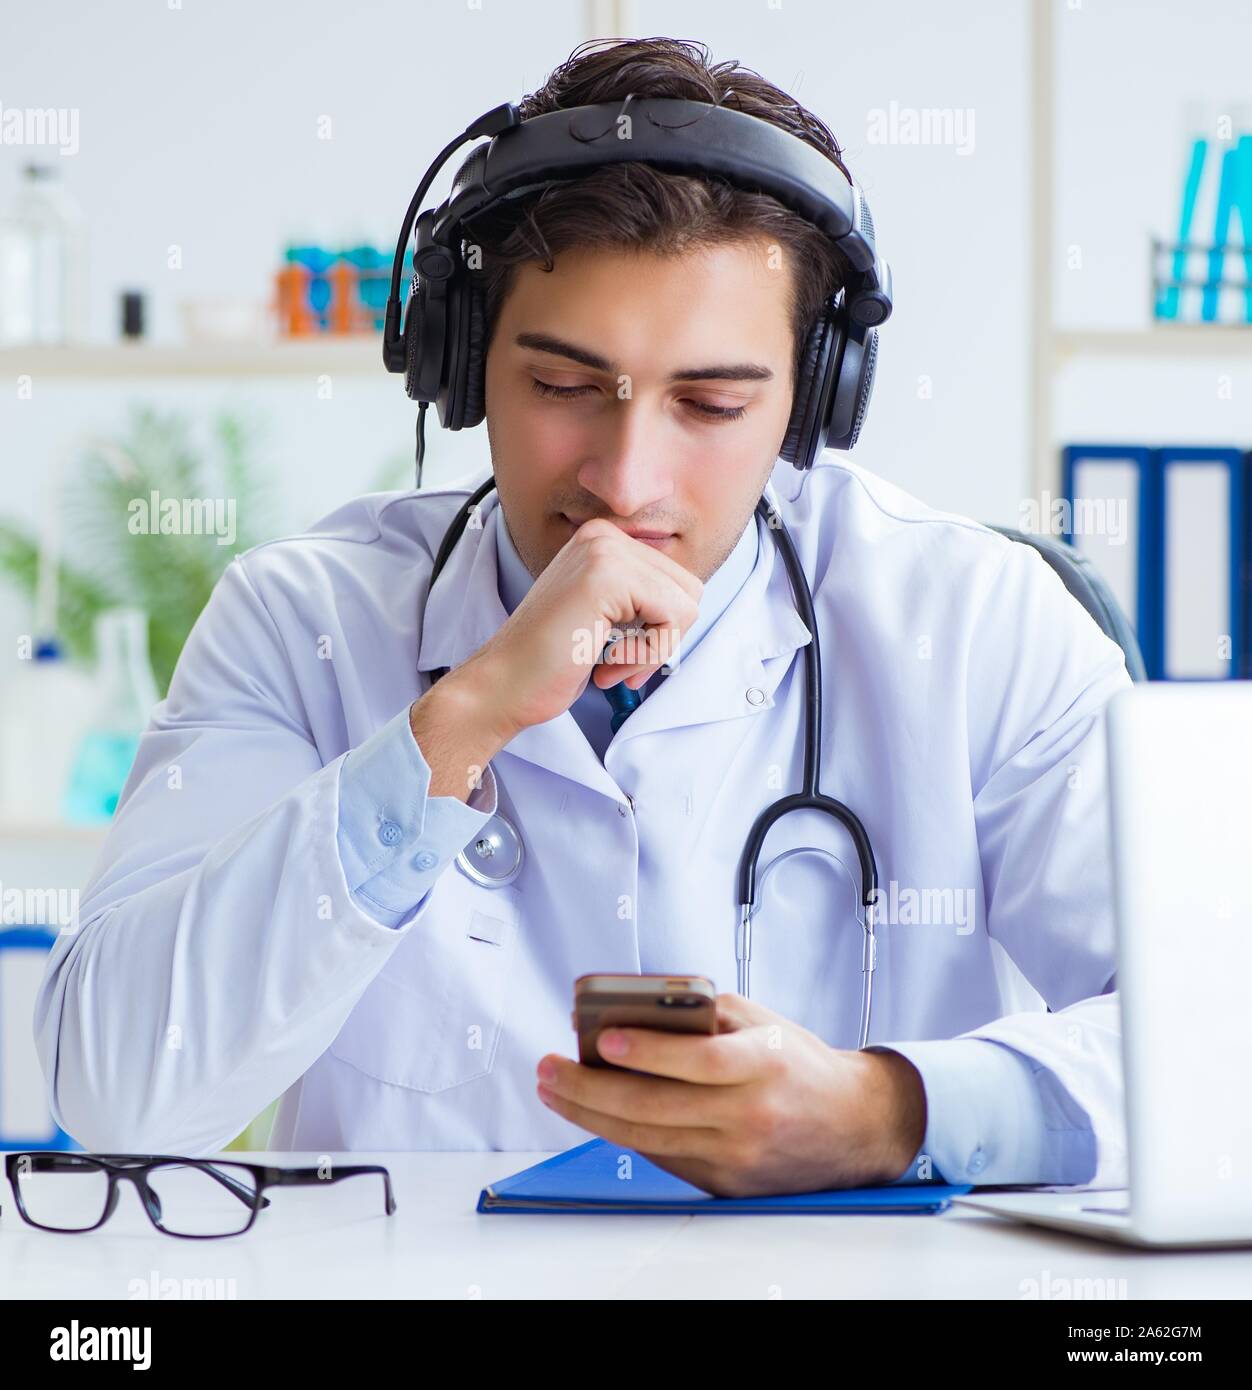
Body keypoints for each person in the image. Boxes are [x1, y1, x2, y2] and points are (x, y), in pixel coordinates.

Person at [35, 37, 1127, 1199]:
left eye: (709, 402)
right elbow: (115, 1090)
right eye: (561, 387)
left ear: (814, 399)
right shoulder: (299, 620)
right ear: (459, 368)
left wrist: (887, 1110)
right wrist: (458, 723)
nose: (625, 477)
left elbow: (1220, 1035)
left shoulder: (973, 623)